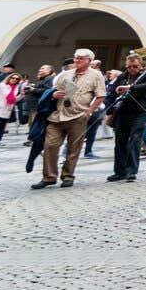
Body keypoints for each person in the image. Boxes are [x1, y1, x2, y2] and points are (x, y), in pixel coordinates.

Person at [33, 49, 106, 190]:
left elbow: (101, 95)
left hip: (78, 115)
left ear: (89, 61)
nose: (77, 60)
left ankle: (67, 176)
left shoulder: (96, 75)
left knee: (74, 148)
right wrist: (54, 94)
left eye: (81, 58)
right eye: (76, 58)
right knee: (50, 146)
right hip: (57, 115)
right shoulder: (65, 74)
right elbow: (52, 90)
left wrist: (89, 111)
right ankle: (49, 177)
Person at [108, 54, 146, 183]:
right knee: (120, 141)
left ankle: (131, 171)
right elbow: (112, 93)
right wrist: (110, 109)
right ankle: (120, 172)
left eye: (135, 66)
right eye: (129, 67)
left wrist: (129, 87)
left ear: (141, 65)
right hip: (123, 112)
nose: (132, 69)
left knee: (135, 140)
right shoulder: (123, 76)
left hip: (141, 112)